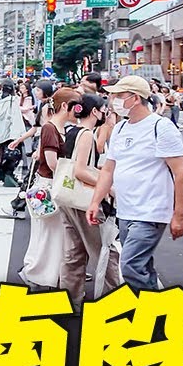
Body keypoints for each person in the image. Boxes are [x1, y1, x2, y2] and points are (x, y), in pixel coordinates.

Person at [86, 75, 183, 292]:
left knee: (131, 265)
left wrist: (179, 215)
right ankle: (153, 310)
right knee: (141, 264)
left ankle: (149, 311)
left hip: (151, 211)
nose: (112, 100)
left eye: (118, 95)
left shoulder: (161, 127)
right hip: (125, 209)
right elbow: (108, 169)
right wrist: (95, 201)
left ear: (135, 98)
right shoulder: (121, 129)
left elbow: (180, 173)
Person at [58, 94, 121, 308]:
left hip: (68, 198)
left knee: (74, 253)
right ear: (95, 111)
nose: (106, 114)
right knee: (105, 251)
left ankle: (70, 300)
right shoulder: (85, 134)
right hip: (83, 200)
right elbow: (81, 171)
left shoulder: (71, 131)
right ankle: (113, 302)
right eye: (105, 110)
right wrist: (108, 187)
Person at [18, 88, 80, 290]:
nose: (78, 111)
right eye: (76, 106)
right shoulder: (50, 129)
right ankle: (42, 274)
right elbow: (53, 163)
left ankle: (49, 274)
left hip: (55, 184)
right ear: (65, 106)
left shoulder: (61, 129)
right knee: (50, 233)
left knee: (54, 234)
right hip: (50, 186)